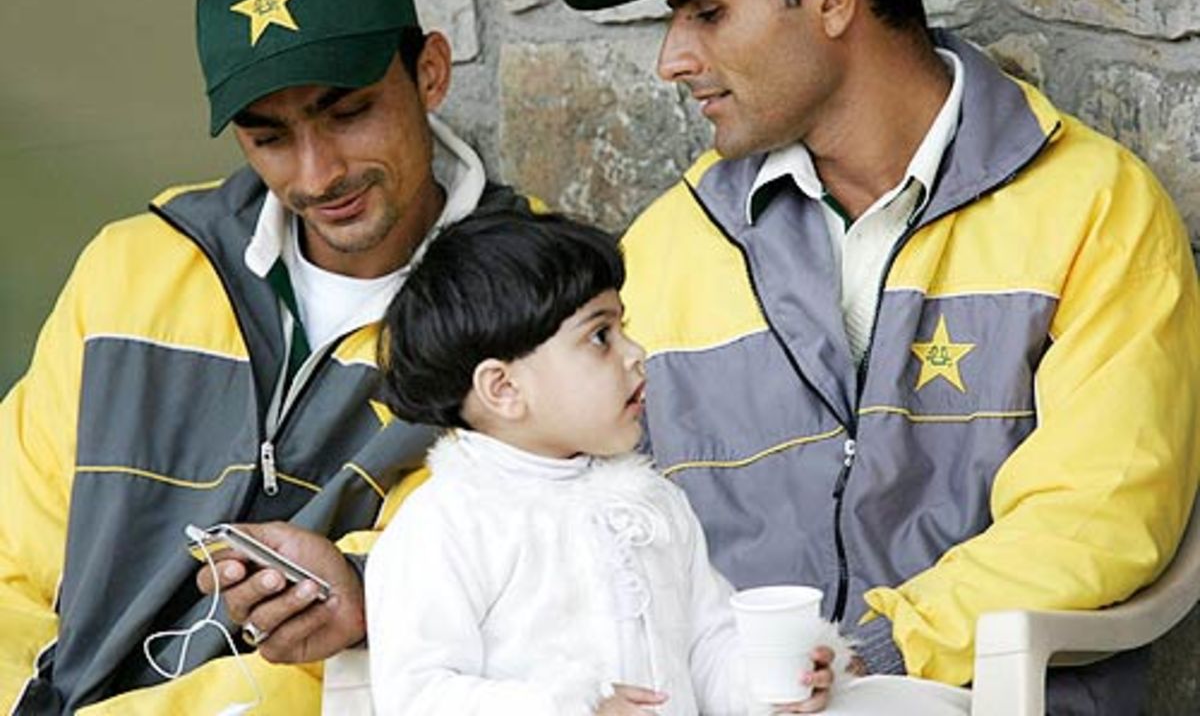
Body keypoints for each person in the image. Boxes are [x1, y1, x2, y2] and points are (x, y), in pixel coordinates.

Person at [558, 0, 1200, 713]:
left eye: (706, 12)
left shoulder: (1093, 208)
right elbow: (547, 474)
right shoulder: (669, 244)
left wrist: (871, 652)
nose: (674, 60)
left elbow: (1103, 512)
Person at [0, 0, 525, 714]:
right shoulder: (132, 271)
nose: (317, 174)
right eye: (268, 136)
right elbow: (9, 551)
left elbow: (484, 606)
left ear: (432, 72)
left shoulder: (533, 304)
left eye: (348, 113)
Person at [366, 207, 971, 716]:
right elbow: (417, 695)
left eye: (623, 328)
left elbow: (707, 644)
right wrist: (572, 708)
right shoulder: (445, 526)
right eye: (600, 337)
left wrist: (774, 680)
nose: (635, 354)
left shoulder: (651, 503)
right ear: (503, 389)